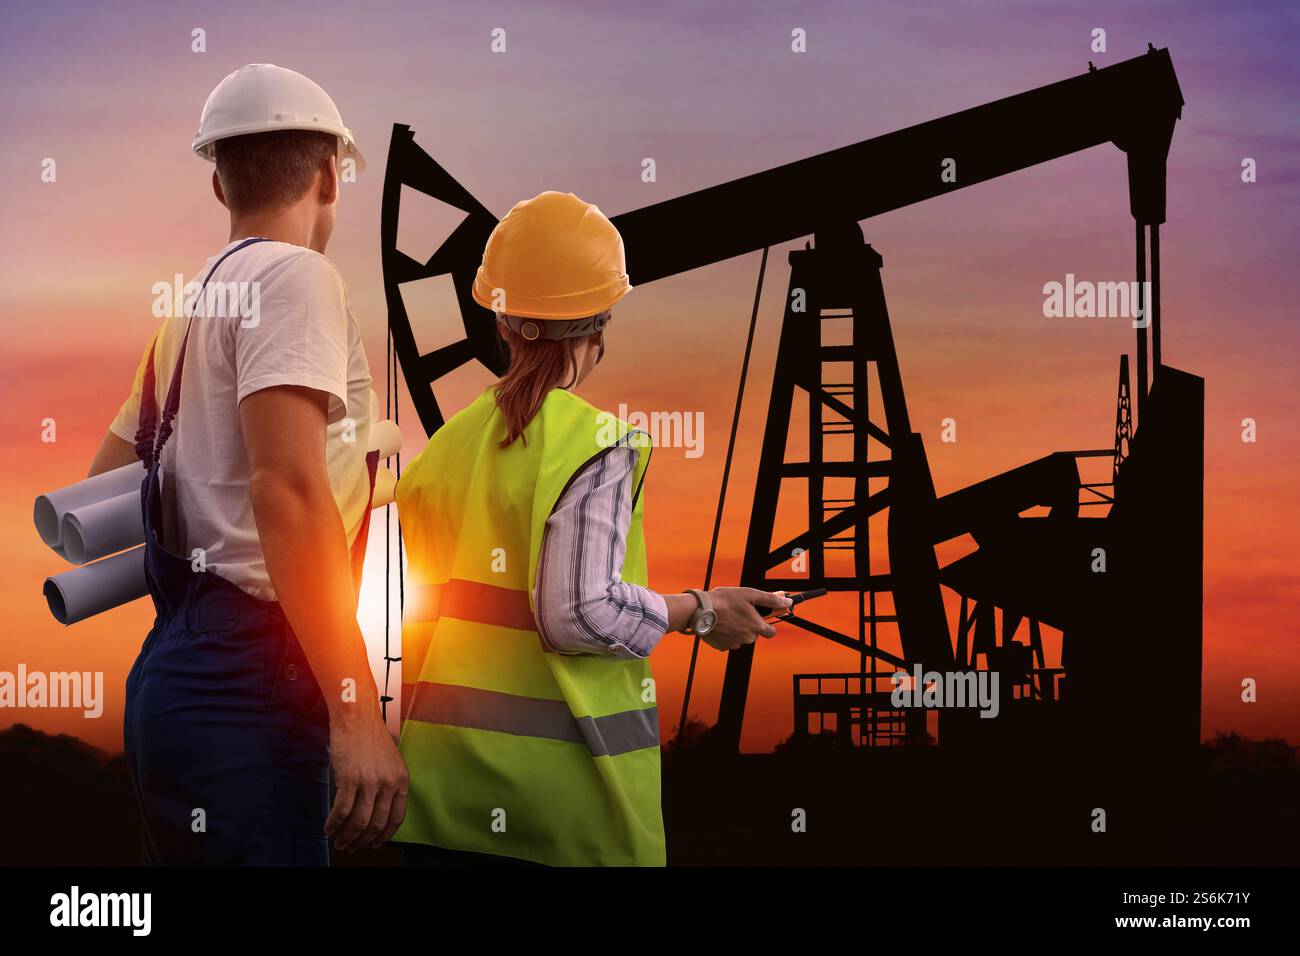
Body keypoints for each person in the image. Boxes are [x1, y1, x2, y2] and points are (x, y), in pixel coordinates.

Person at [392, 191, 791, 866]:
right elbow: (579, 613)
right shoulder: (598, 444)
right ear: (601, 323)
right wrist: (699, 611)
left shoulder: (441, 449)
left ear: (501, 321)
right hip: (566, 817)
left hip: (441, 807)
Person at [89, 64, 406, 865]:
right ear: (332, 174)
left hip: (176, 673)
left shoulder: (191, 307)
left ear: (218, 182)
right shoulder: (297, 277)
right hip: (256, 675)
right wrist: (355, 709)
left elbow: (101, 491)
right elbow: (285, 487)